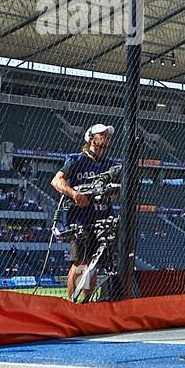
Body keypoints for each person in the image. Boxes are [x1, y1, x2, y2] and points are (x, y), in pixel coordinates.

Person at [51, 123, 118, 301]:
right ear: (90, 138)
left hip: (103, 220)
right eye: (101, 134)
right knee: (80, 263)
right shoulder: (75, 160)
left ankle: (87, 303)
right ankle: (72, 301)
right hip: (80, 221)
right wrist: (74, 194)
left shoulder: (111, 165)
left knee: (93, 265)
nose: (106, 137)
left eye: (107, 134)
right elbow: (57, 181)